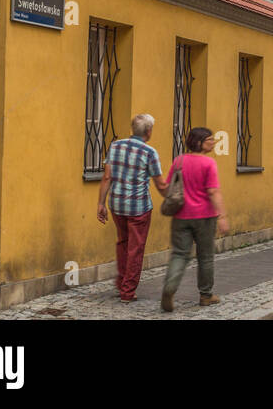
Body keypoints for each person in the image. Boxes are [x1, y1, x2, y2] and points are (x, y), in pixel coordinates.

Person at [96, 113, 166, 302]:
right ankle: (127, 291)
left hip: (117, 205)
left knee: (123, 243)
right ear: (149, 131)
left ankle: (121, 283)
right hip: (139, 208)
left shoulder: (115, 146)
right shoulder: (149, 152)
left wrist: (101, 203)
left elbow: (107, 177)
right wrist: (173, 199)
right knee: (136, 248)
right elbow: (160, 184)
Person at [160, 127, 228, 312]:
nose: (213, 143)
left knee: (179, 254)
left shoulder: (179, 160)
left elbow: (167, 187)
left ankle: (169, 288)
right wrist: (222, 216)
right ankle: (206, 296)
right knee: (205, 257)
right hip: (205, 217)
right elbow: (213, 191)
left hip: (181, 215)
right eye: (210, 140)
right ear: (199, 142)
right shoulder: (209, 163)